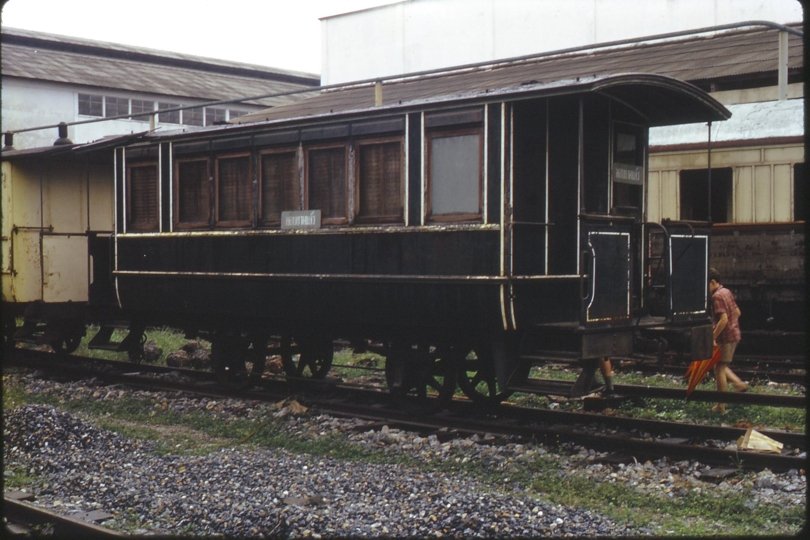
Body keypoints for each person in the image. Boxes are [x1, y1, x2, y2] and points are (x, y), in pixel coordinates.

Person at [708, 267, 747, 413]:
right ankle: (739, 384)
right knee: (721, 365)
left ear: (713, 282)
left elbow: (723, 319)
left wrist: (713, 336)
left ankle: (721, 405)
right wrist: (733, 325)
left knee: (719, 368)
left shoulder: (717, 296)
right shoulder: (727, 291)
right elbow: (737, 312)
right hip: (734, 334)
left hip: (726, 337)